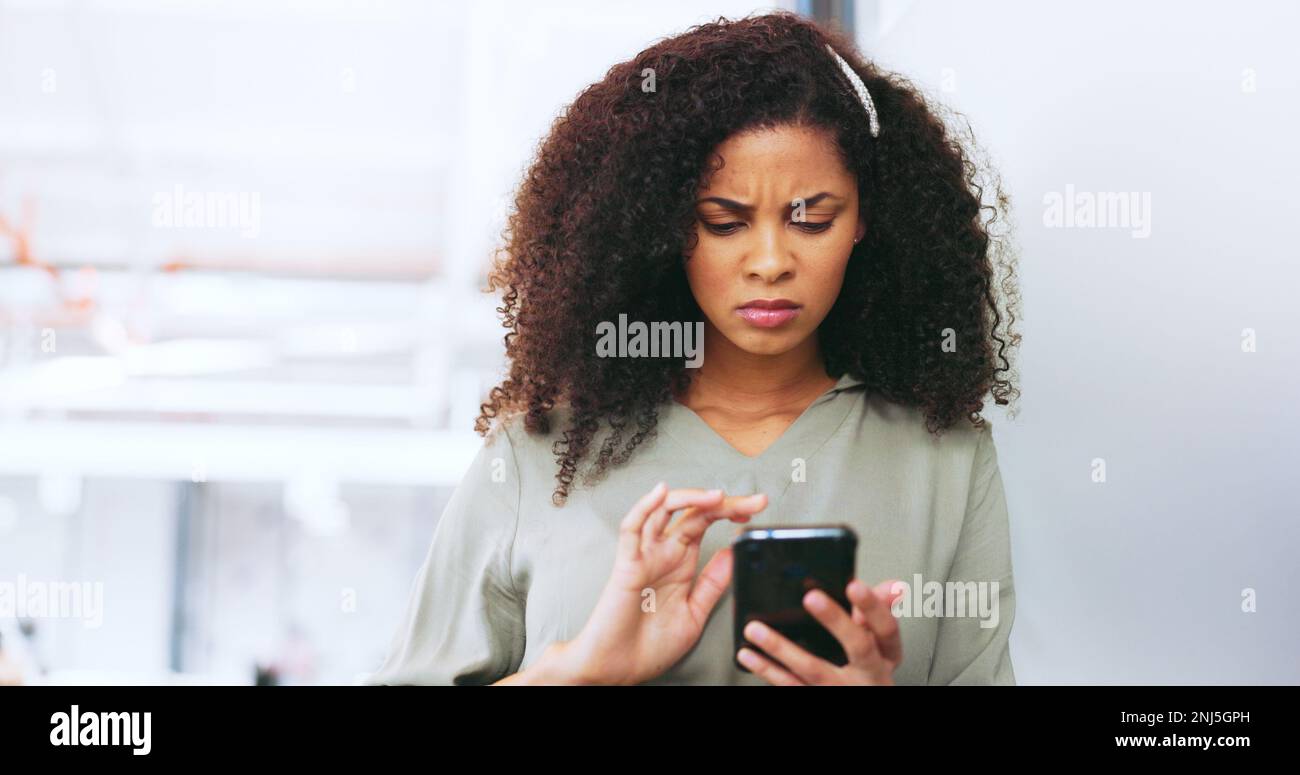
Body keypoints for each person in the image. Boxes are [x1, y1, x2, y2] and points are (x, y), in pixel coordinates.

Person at [367, 11, 1021, 686]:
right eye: (724, 222)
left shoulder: (945, 458)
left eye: (814, 219)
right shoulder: (538, 452)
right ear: (661, 227)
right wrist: (576, 673)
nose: (770, 261)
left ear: (865, 220)